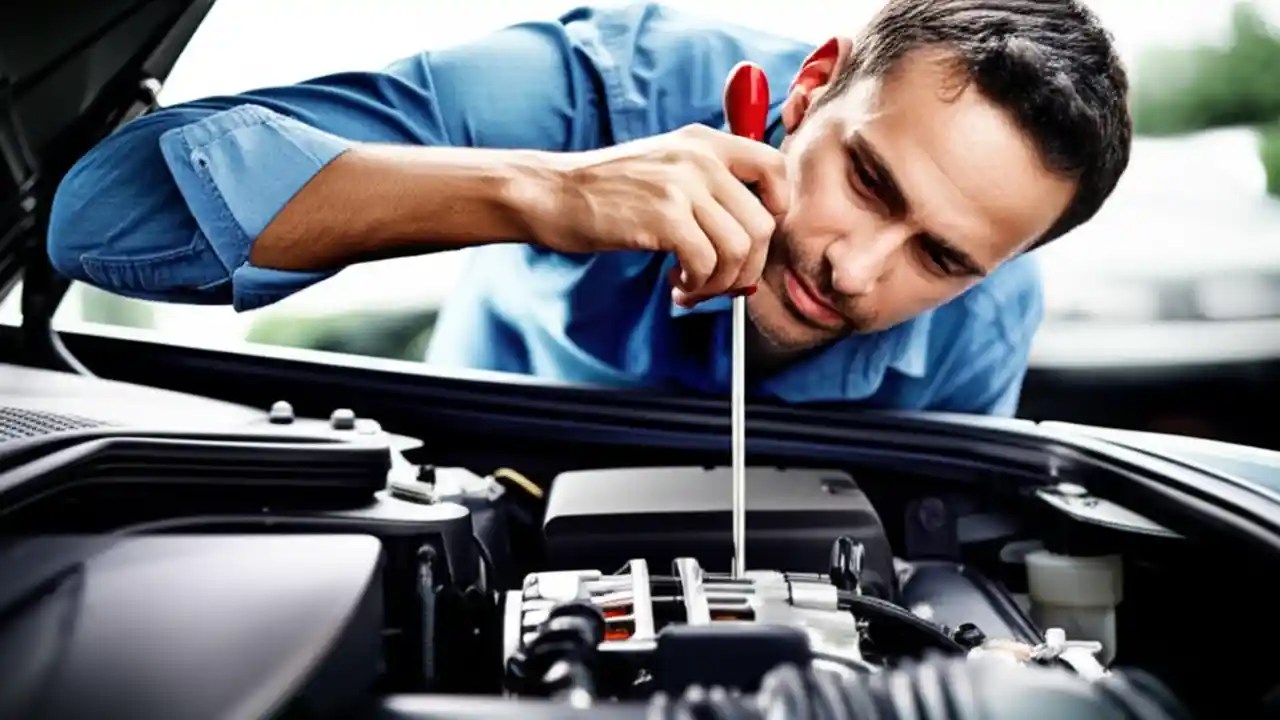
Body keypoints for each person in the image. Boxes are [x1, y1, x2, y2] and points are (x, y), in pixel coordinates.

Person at [46, 0, 1131, 416]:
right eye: (869, 181)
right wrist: (547, 189)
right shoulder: (603, 87)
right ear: (809, 90)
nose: (855, 270)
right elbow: (100, 219)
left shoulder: (990, 310)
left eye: (940, 259)